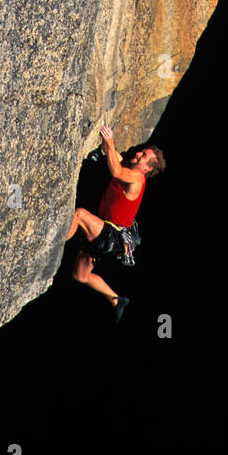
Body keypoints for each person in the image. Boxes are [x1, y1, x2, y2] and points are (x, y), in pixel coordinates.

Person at [66, 124, 166, 321]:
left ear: (147, 169)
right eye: (141, 152)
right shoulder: (130, 167)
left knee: (79, 215)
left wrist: (110, 141)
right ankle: (116, 300)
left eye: (143, 156)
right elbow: (110, 154)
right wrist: (107, 143)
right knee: (80, 275)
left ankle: (53, 244)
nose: (138, 154)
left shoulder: (137, 177)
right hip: (108, 233)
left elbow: (115, 171)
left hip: (110, 235)